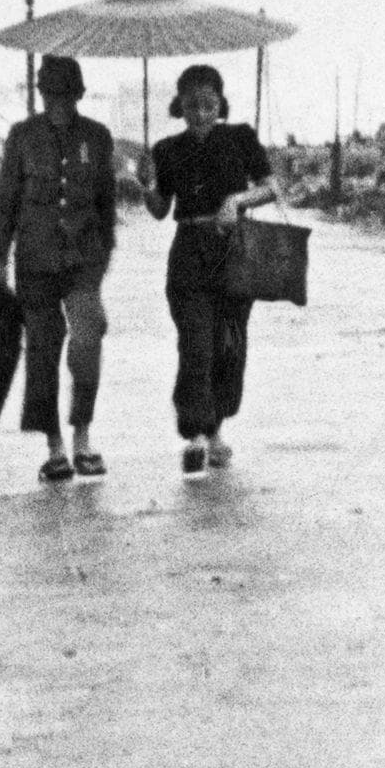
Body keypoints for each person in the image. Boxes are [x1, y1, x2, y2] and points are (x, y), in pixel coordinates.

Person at [0, 54, 120, 480]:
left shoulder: (97, 137)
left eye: (65, 95)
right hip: (35, 261)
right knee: (42, 351)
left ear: (78, 95)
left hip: (83, 260)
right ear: (41, 94)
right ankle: (55, 447)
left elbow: (107, 203)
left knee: (88, 338)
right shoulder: (22, 137)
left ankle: (82, 435)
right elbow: (6, 200)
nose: (57, 103)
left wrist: (102, 254)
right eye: (49, 95)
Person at [148, 65, 274, 471]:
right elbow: (159, 209)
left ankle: (216, 429)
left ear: (220, 103)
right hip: (189, 251)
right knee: (195, 344)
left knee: (229, 344)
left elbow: (271, 188)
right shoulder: (166, 149)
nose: (200, 113)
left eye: (208, 104)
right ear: (179, 106)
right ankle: (196, 436)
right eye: (191, 105)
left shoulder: (241, 138)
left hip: (235, 251)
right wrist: (144, 185)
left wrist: (237, 200)